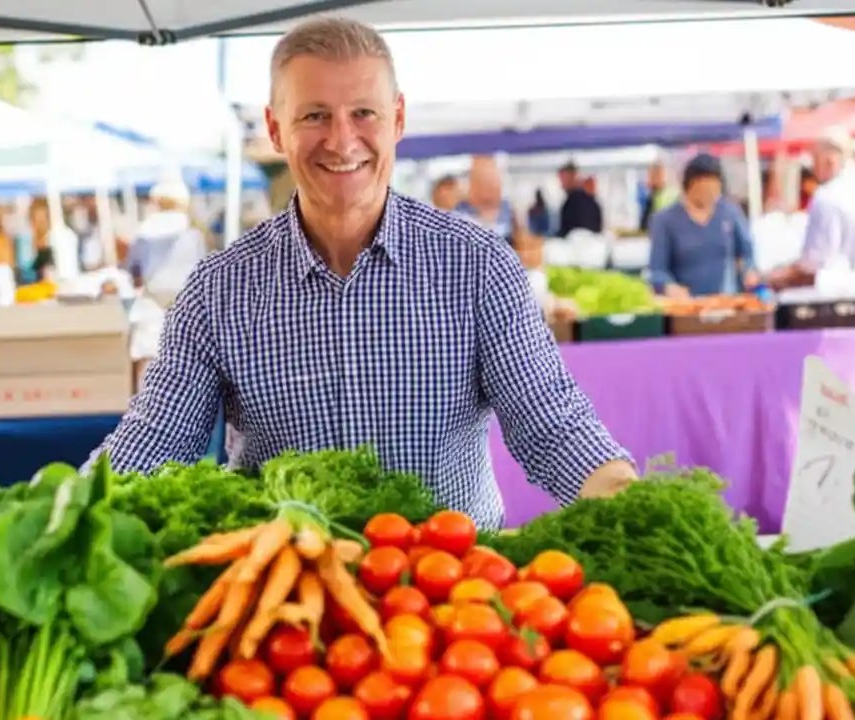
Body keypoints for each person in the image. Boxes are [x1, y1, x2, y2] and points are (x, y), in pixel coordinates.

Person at [87, 16, 636, 529]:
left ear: (397, 119)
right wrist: (64, 509)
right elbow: (155, 442)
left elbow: (550, 423)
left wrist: (632, 506)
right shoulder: (219, 290)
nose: (342, 140)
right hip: (288, 594)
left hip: (454, 591)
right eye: (315, 115)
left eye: (363, 113)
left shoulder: (478, 265)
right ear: (277, 129)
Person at [767, 129, 855, 290]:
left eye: (815, 160)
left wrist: (773, 277)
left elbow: (812, 265)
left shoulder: (828, 197)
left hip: (842, 303)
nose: (813, 170)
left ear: (829, 160)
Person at [647, 153, 760, 298]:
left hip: (726, 301)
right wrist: (669, 287)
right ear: (688, 186)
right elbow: (656, 271)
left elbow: (746, 253)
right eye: (702, 190)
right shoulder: (664, 220)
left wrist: (749, 271)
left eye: (714, 190)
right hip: (687, 306)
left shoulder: (730, 213)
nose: (709, 195)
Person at [123, 178, 209, 308]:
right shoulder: (193, 230)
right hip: (186, 289)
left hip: (155, 288)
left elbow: (134, 265)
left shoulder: (146, 227)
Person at [454, 155, 518, 246]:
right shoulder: (460, 212)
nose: (489, 190)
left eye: (493, 183)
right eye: (482, 183)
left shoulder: (507, 208)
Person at [558, 162, 603, 237]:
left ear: (573, 176)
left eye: (563, 178)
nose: (561, 183)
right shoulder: (585, 199)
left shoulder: (577, 201)